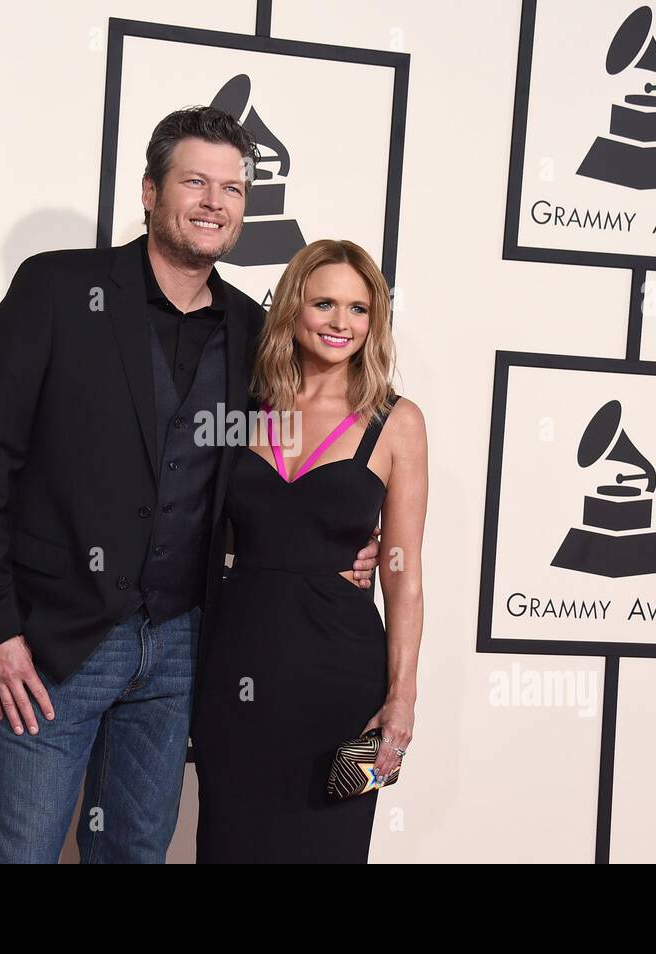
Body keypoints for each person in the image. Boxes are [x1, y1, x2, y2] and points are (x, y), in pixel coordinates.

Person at [0, 106, 380, 863]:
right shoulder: (56, 289)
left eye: (233, 188)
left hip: (185, 644)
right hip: (53, 642)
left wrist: (332, 548)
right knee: (19, 853)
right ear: (150, 192)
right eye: (195, 182)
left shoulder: (256, 332)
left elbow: (279, 471)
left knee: (136, 854)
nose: (215, 202)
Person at [191, 239, 428, 863]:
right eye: (324, 303)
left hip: (339, 679)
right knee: (227, 843)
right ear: (293, 308)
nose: (340, 322)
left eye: (358, 308)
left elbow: (404, 576)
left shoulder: (396, 421)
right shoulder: (245, 407)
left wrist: (401, 696)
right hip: (236, 665)